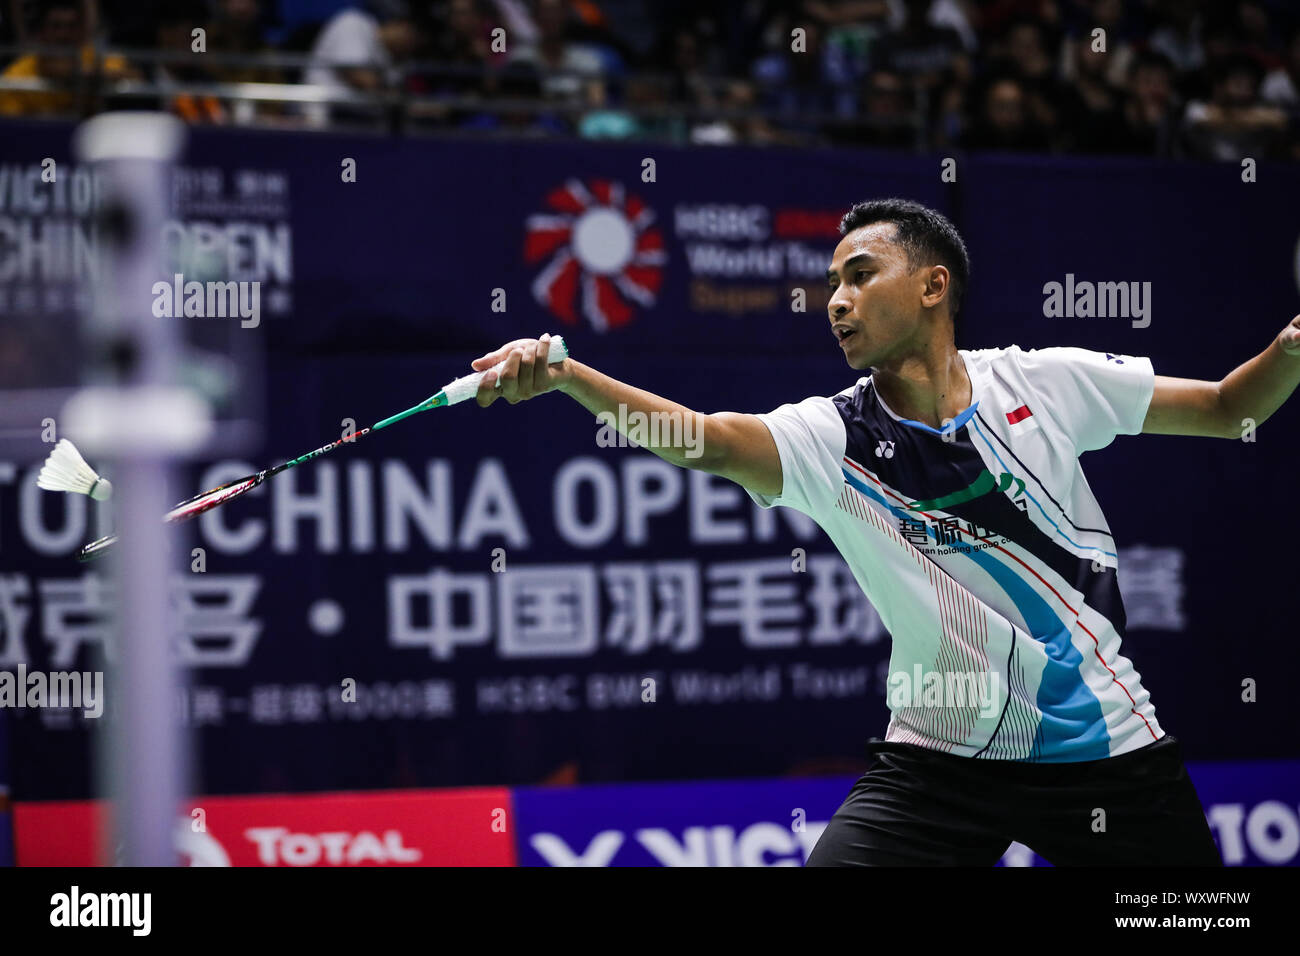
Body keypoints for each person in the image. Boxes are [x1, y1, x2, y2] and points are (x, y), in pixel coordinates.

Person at [469, 197, 1300, 865]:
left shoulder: (1046, 384)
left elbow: (1231, 409)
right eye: (832, 282)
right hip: (939, 761)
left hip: (1108, 754)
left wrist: (1291, 352)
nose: (836, 299)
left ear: (933, 287)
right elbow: (709, 441)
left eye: (860, 275)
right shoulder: (833, 439)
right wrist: (569, 377)